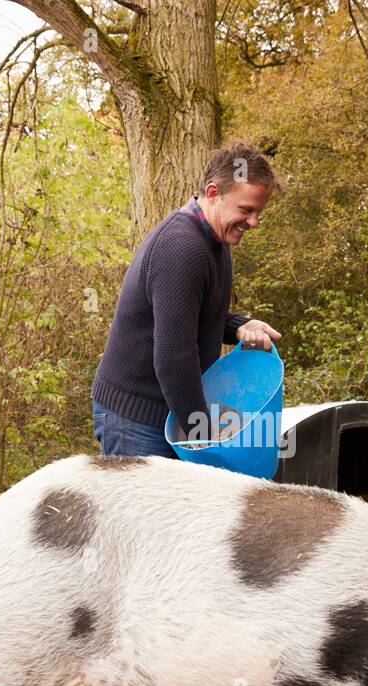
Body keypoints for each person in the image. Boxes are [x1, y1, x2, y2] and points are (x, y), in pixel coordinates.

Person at [91, 143, 283, 457]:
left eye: (259, 212)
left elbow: (190, 315)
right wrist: (203, 437)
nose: (254, 222)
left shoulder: (214, 241)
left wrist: (239, 326)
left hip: (168, 410)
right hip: (134, 417)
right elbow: (174, 356)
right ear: (212, 192)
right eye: (246, 210)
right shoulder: (182, 248)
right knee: (145, 508)